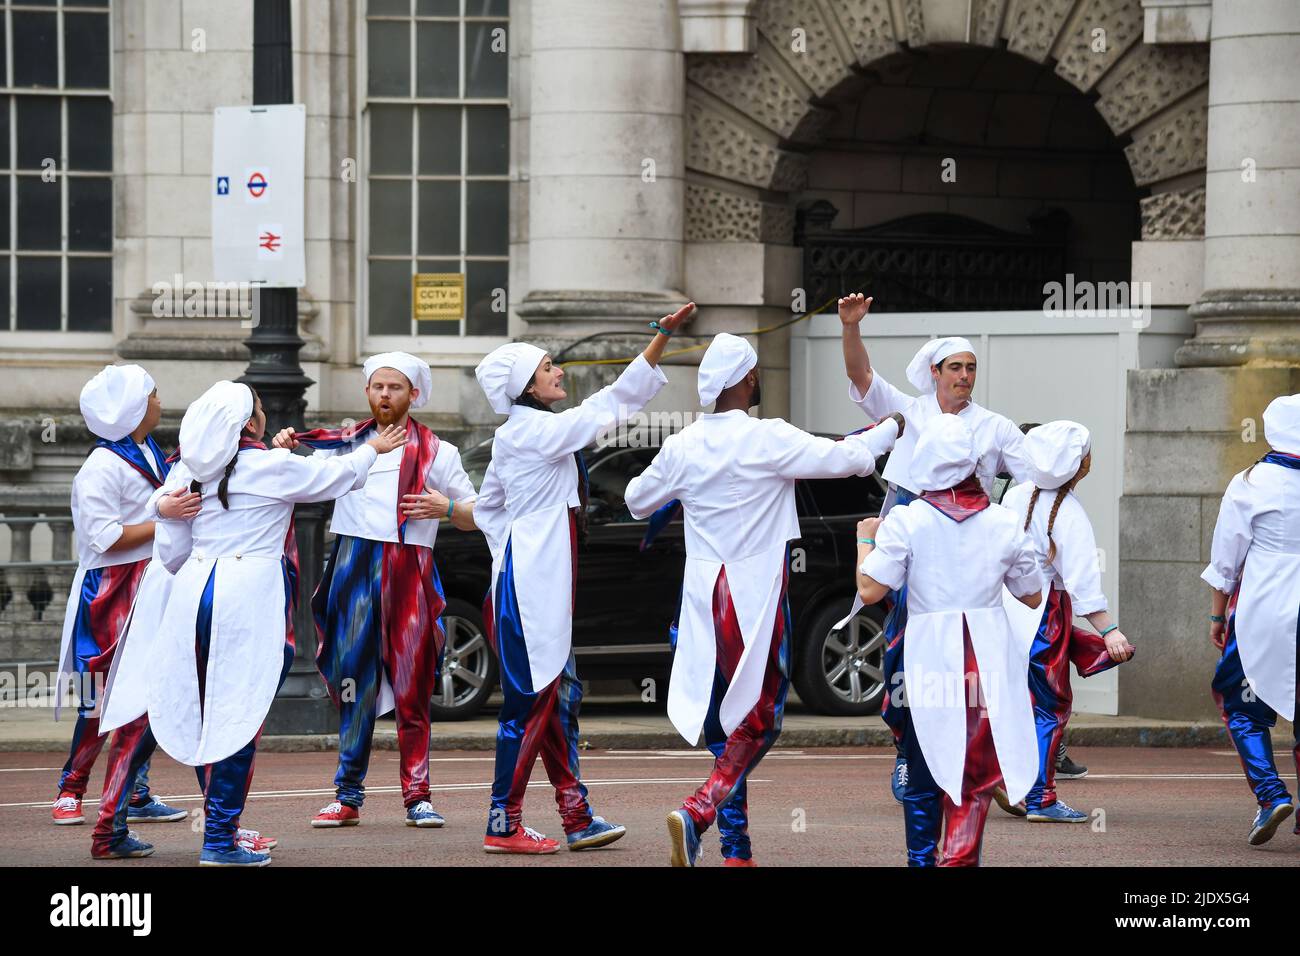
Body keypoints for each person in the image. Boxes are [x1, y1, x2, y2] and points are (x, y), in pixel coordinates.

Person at [624, 332, 901, 867]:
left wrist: (683, 485)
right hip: (752, 592)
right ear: (749, 378)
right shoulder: (767, 436)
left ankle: (736, 849)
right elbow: (849, 460)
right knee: (761, 718)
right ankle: (700, 810)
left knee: (728, 723)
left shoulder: (683, 444)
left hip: (704, 593)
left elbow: (636, 501)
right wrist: (893, 427)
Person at [146, 381, 405, 866]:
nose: (264, 413)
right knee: (239, 717)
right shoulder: (266, 466)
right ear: (249, 423)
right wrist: (373, 447)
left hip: (193, 593)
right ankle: (219, 840)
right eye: (259, 409)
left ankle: (225, 828)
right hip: (245, 595)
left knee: (210, 714)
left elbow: (171, 551)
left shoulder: (189, 470)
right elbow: (335, 477)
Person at [471, 302, 694, 854]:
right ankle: (503, 823)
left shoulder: (524, 436)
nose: (559, 372)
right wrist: (660, 340)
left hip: (532, 586)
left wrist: (512, 548)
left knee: (556, 702)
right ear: (525, 385)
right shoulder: (531, 434)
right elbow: (608, 406)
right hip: (530, 592)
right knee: (528, 704)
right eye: (549, 366)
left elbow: (489, 508)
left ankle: (575, 816)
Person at [269, 352, 478, 830]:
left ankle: (418, 796)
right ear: (367, 392)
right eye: (378, 386)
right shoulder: (344, 444)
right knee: (353, 683)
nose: (385, 395)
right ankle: (347, 795)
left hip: (410, 570)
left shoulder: (439, 452)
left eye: (396, 388)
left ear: (414, 395)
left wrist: (446, 509)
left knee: (414, 683)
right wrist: (283, 444)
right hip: (354, 564)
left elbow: (477, 513)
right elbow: (294, 473)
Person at [838, 293, 1032, 803]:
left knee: (980, 659)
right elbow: (862, 380)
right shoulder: (909, 411)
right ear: (935, 371)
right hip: (914, 536)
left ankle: (991, 763)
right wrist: (851, 328)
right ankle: (909, 756)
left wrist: (1026, 528)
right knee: (906, 657)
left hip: (969, 542)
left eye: (971, 368)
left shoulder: (994, 425)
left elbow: (1039, 470)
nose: (965, 376)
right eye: (955, 368)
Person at [855, 414, 1044, 866]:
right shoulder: (1003, 522)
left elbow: (869, 590)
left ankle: (922, 862)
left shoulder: (908, 521)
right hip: (987, 656)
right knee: (975, 772)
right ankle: (959, 861)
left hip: (930, 656)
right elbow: (1033, 594)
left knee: (923, 769)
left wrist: (864, 540)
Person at [52, 364, 186, 858]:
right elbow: (104, 538)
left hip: (149, 580)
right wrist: (161, 517)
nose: (158, 400)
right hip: (109, 590)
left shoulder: (151, 451)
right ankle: (71, 787)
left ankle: (136, 791)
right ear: (133, 408)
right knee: (101, 698)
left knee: (145, 695)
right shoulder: (101, 467)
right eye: (152, 394)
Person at [999, 421, 1135, 822]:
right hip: (1045, 615)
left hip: (1005, 611)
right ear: (1080, 465)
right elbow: (1082, 584)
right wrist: (1109, 631)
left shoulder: (1015, 496)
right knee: (1051, 705)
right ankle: (1040, 796)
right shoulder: (1070, 513)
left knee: (1013, 702)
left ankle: (1011, 780)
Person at [1202, 393, 1300, 847]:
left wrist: (1217, 614)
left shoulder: (1249, 482)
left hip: (1263, 605)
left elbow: (1226, 559)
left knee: (1239, 702)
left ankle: (1269, 793)